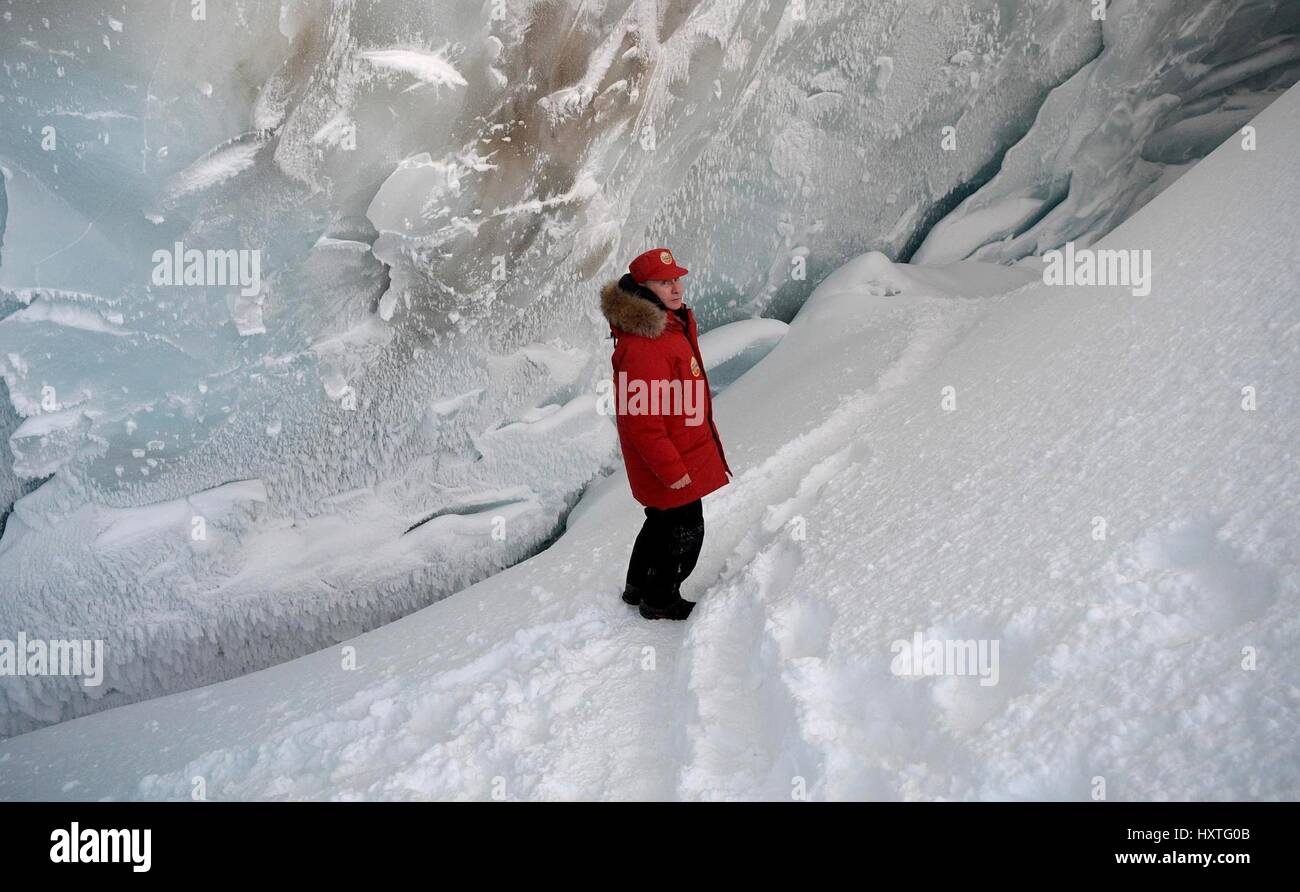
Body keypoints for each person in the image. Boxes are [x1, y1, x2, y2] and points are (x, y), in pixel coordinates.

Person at [598, 248, 732, 620]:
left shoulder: (666, 325)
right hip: (671, 460)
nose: (675, 288)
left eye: (676, 279)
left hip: (678, 450)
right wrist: (672, 470)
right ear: (643, 288)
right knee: (685, 529)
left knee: (660, 521)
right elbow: (642, 422)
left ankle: (637, 586)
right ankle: (660, 600)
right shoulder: (645, 346)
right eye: (664, 282)